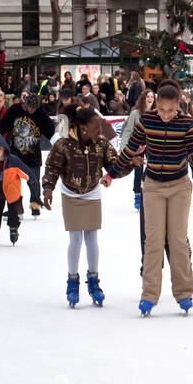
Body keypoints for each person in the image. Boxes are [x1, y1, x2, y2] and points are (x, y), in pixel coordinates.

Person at [110, 80, 193, 315]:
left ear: (178, 106)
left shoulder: (186, 123)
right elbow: (130, 149)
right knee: (153, 240)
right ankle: (149, 294)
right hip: (153, 186)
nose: (165, 115)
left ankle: (184, 292)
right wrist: (112, 173)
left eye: (170, 110)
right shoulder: (147, 120)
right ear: (156, 105)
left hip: (179, 186)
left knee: (177, 240)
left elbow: (192, 157)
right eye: (161, 109)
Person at [43, 105, 116, 306]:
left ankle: (94, 281)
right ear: (84, 129)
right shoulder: (64, 144)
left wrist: (131, 163)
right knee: (75, 238)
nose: (100, 131)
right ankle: (72, 281)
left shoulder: (101, 144)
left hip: (92, 193)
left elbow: (114, 165)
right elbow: (52, 166)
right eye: (97, 127)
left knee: (92, 237)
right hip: (71, 193)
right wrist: (48, 188)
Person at [0, 84, 55, 216]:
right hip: (15, 155)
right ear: (25, 104)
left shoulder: (40, 112)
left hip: (33, 155)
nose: (33, 111)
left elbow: (50, 131)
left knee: (34, 181)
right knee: (12, 182)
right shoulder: (14, 110)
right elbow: (2, 125)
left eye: (35, 108)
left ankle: (35, 204)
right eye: (31, 108)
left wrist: (59, 146)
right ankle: (15, 207)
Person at [119, 87, 156, 210]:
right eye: (148, 96)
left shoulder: (156, 113)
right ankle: (137, 195)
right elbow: (128, 130)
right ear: (143, 99)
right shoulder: (135, 113)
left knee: (152, 167)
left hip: (152, 145)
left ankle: (147, 190)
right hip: (138, 145)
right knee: (138, 170)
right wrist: (123, 147)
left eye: (152, 97)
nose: (150, 98)